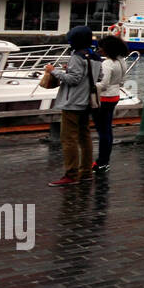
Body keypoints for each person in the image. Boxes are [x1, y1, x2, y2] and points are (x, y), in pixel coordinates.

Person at [45, 26, 100, 186]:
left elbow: (73, 80)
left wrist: (54, 71)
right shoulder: (95, 56)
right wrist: (68, 71)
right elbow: (99, 76)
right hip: (87, 102)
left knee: (68, 139)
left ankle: (71, 174)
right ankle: (86, 172)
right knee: (85, 137)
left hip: (72, 103)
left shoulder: (77, 56)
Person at [93, 35, 130, 173]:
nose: (99, 50)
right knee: (107, 130)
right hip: (115, 95)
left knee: (102, 131)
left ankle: (102, 162)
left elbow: (103, 84)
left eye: (101, 48)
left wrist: (89, 85)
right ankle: (105, 161)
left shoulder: (107, 63)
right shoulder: (121, 61)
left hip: (105, 98)